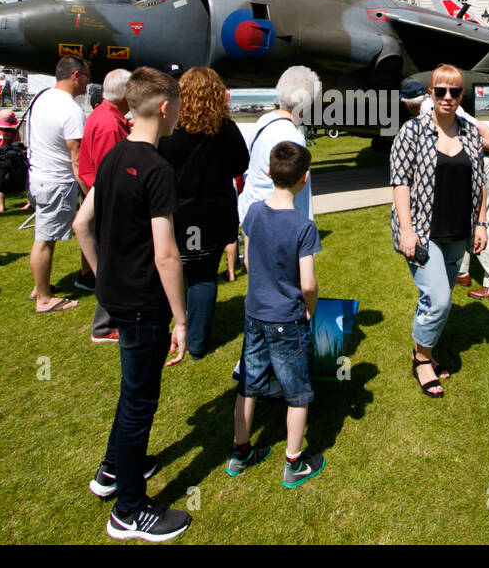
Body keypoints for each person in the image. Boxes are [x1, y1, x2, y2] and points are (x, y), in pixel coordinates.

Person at [73, 66, 192, 542]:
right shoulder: (158, 168)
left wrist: (106, 276)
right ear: (164, 108)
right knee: (141, 400)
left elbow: (83, 224)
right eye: (178, 106)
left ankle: (110, 471)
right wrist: (181, 319)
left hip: (118, 295)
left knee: (131, 392)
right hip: (144, 303)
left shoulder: (112, 156)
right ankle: (128, 510)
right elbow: (166, 254)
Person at [229, 140, 325, 487]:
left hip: (254, 313)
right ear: (305, 178)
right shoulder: (303, 227)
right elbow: (309, 283)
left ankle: (240, 452)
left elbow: (249, 260)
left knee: (249, 384)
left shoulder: (253, 212)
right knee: (297, 392)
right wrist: (309, 310)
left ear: (269, 173)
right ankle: (294, 463)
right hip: (287, 318)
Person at [390, 64, 488, 398]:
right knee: (439, 300)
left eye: (455, 91)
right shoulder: (412, 131)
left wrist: (482, 222)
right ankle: (422, 360)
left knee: (436, 298)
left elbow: (481, 181)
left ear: (462, 95)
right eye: (441, 90)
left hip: (458, 231)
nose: (448, 97)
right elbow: (400, 182)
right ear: (430, 93)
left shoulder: (470, 133)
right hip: (421, 231)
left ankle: (426, 349)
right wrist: (406, 230)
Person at [157, 67, 250, 358]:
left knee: (169, 274)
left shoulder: (170, 132)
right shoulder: (227, 130)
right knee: (203, 277)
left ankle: (163, 335)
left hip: (176, 216)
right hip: (213, 216)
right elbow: (240, 165)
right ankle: (196, 341)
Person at [399, 78, 489, 300]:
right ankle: (462, 271)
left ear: (407, 103)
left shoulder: (433, 109)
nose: (446, 96)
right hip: (467, 167)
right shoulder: (434, 110)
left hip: (478, 166)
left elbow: (478, 130)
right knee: (461, 214)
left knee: (482, 221)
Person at [28, 54, 90, 313]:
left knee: (44, 236)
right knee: (45, 239)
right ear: (75, 75)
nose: (88, 83)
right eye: (87, 76)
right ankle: (43, 298)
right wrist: (88, 193)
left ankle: (39, 286)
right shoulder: (71, 110)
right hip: (56, 181)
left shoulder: (42, 98)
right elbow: (77, 160)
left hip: (38, 178)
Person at [76, 68, 133, 340]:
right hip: (110, 205)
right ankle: (106, 325)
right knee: (114, 264)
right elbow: (111, 172)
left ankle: (111, 321)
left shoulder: (104, 116)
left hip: (100, 200)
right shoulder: (110, 125)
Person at [238, 66, 320, 226]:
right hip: (278, 223)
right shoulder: (292, 137)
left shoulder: (264, 121)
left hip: (253, 214)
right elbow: (293, 189)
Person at [0, 109, 21, 213]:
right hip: (11, 158)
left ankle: (2, 206)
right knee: (20, 180)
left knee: (0, 183)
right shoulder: (15, 133)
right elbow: (18, 144)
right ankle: (29, 202)